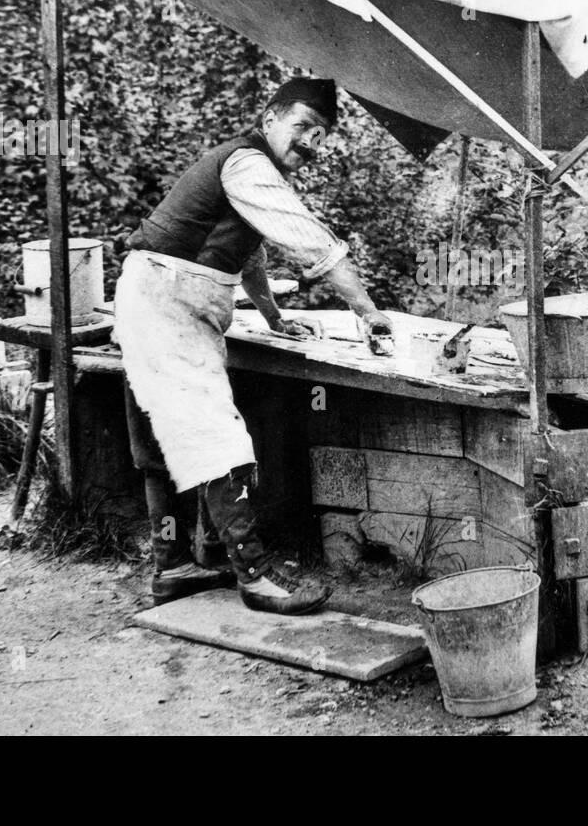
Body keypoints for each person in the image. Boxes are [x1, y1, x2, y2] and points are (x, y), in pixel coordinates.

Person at [113, 77, 393, 614]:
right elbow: (309, 240)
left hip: (162, 298)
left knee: (166, 435)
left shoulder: (247, 168)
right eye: (303, 125)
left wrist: (273, 317)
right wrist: (366, 308)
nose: (312, 140)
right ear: (269, 118)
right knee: (218, 437)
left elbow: (247, 254)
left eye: (322, 132)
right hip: (167, 301)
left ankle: (174, 567)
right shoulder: (247, 163)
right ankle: (256, 577)